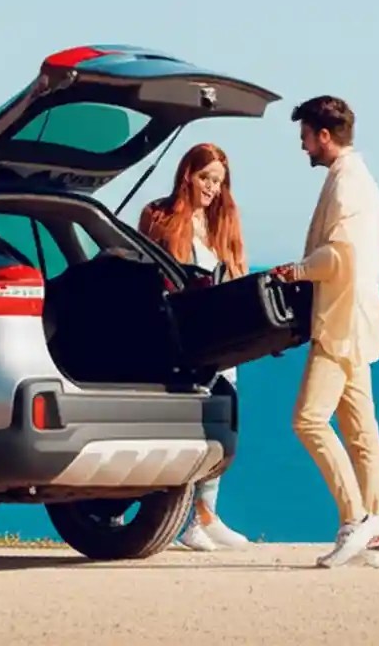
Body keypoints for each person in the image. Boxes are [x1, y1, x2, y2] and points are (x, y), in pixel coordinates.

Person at [271, 95, 379, 569]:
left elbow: (337, 258)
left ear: (323, 134)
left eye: (304, 136)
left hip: (340, 324)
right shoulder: (358, 180)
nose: (302, 147)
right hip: (356, 319)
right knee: (361, 432)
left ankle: (354, 520)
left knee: (308, 420)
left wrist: (294, 272)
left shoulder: (346, 185)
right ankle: (374, 535)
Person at [138, 141, 251, 552]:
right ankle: (165, 515)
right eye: (206, 178)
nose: (212, 189)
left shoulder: (225, 221)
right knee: (178, 425)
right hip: (177, 337)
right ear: (188, 174)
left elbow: (238, 275)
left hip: (220, 339)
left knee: (221, 423)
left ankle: (204, 516)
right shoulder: (159, 216)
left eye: (219, 182)